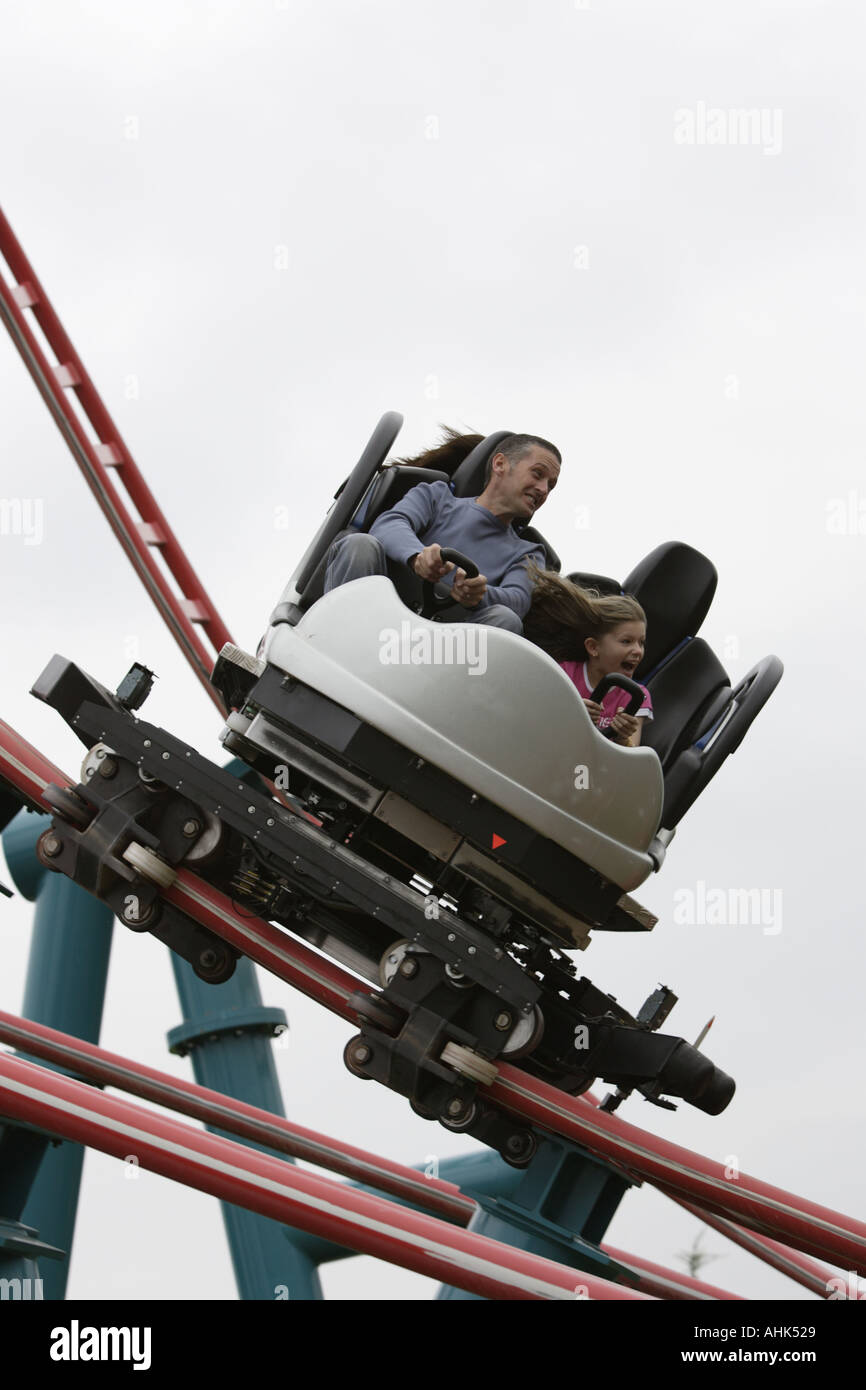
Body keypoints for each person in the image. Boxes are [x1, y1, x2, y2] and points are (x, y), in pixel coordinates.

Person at [324, 433, 561, 632]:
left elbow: (518, 602)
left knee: (506, 619)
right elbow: (389, 524)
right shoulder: (436, 496)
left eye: (551, 485)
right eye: (537, 474)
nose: (543, 489)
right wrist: (417, 556)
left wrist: (480, 593)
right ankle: (338, 640)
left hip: (439, 653)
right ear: (499, 464)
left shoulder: (529, 553)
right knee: (359, 545)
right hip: (374, 619)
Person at [524, 569, 653, 746]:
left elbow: (630, 756)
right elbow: (533, 721)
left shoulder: (637, 696)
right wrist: (572, 714)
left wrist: (622, 736)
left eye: (641, 642)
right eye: (626, 641)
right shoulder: (563, 673)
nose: (638, 650)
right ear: (593, 647)